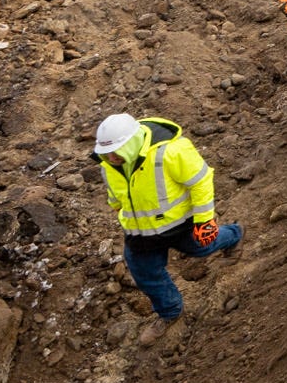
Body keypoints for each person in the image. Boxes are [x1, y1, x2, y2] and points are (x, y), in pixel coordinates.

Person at [91, 112, 243, 345]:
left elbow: (201, 181)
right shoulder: (108, 164)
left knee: (203, 246)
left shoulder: (171, 151)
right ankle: (170, 311)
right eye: (106, 153)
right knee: (145, 274)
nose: (111, 157)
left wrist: (204, 220)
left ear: (132, 142)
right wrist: (120, 212)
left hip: (180, 225)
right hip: (139, 233)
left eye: (117, 150)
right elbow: (116, 196)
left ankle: (234, 235)